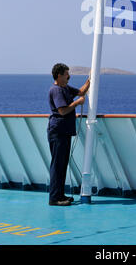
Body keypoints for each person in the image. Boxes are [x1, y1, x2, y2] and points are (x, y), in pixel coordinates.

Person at [47, 63, 90, 206]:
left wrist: (90, 80)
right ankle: (54, 198)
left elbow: (80, 92)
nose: (69, 76)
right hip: (58, 132)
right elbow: (62, 111)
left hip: (64, 132)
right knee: (57, 165)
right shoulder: (57, 90)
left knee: (63, 164)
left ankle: (60, 195)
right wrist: (77, 103)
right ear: (59, 75)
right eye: (66, 74)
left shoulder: (65, 88)